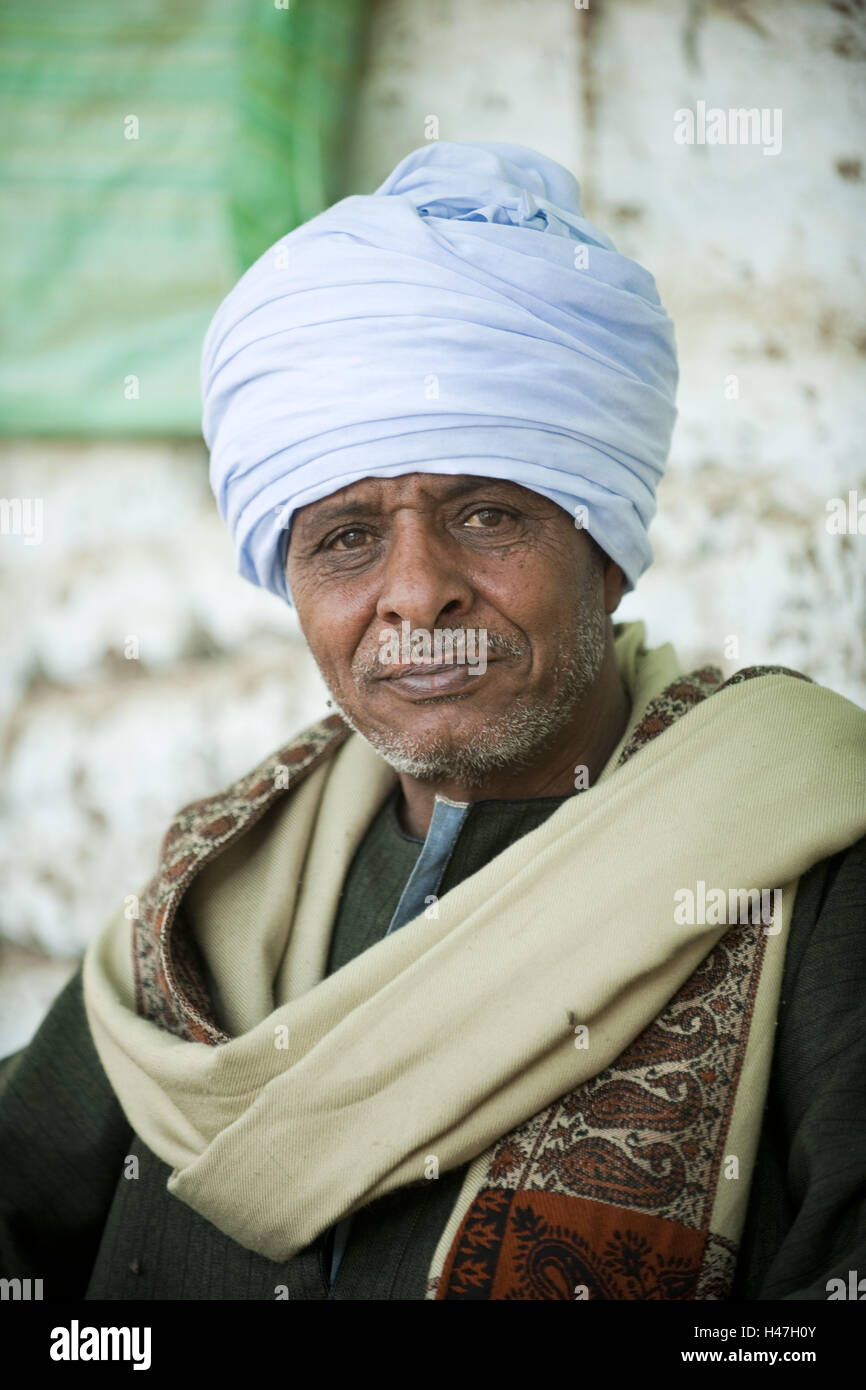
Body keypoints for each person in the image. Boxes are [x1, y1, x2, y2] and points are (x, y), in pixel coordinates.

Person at [1, 142, 865, 1303]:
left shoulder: (814, 862)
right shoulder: (219, 884)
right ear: (291, 579)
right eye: (348, 537)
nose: (416, 591)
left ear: (605, 555)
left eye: (485, 512)